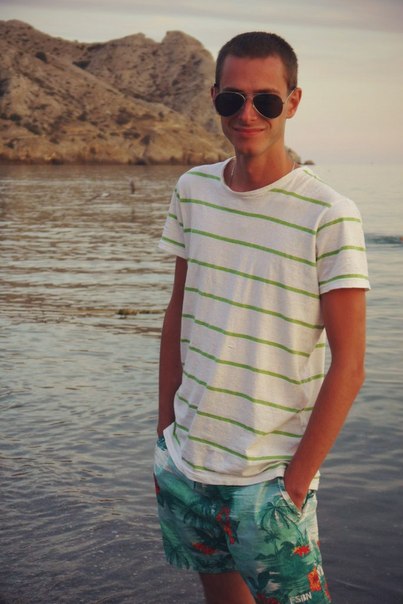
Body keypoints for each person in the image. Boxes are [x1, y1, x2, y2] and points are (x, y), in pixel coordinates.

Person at [154, 31, 369, 604]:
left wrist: (293, 487)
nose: (247, 114)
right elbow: (177, 313)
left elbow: (350, 365)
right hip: (187, 463)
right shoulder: (193, 190)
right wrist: (165, 436)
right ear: (214, 98)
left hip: (269, 483)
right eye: (233, 98)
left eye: (266, 100)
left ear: (292, 103)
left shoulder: (330, 214)